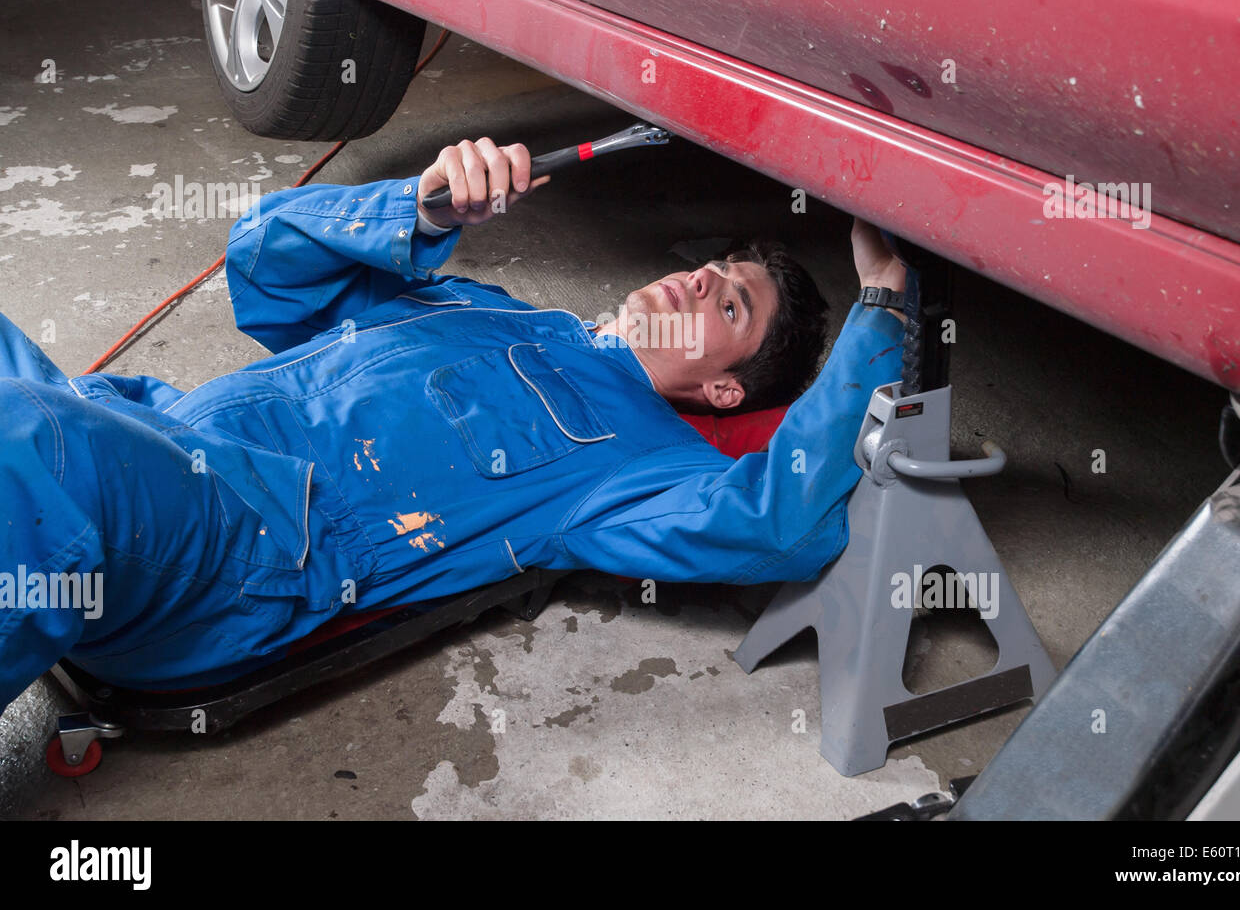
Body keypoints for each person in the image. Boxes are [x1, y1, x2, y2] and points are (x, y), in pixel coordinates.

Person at [0, 138, 906, 714]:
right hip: (139, 430)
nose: (703, 279)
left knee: (31, 449)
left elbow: (778, 519)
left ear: (722, 394)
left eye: (734, 305)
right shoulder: (496, 310)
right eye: (715, 267)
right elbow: (266, 267)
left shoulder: (640, 465)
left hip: (234, 549)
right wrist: (424, 205)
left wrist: (885, 308)